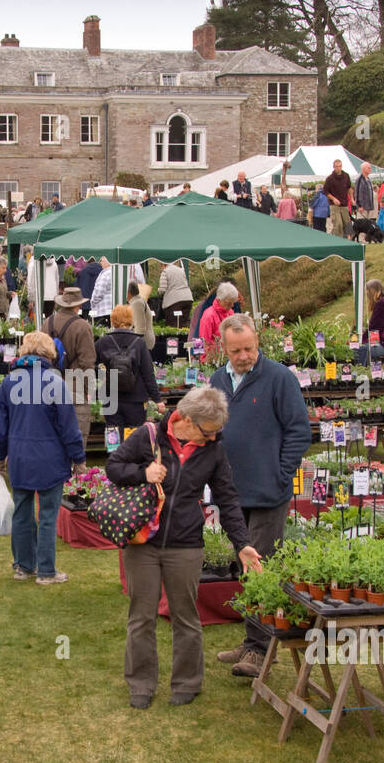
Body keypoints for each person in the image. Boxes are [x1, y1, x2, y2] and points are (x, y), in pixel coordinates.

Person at [106, 388, 261, 707]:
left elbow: (227, 498)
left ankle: (187, 682)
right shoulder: (148, 435)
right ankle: (140, 683)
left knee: (186, 615)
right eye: (209, 432)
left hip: (186, 544)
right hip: (143, 542)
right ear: (187, 421)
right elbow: (114, 468)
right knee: (141, 616)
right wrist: (142, 473)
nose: (213, 438)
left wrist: (242, 544)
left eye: (217, 432)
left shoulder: (214, 449)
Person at [210, 315, 311, 678]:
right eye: (235, 350)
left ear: (258, 342)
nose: (243, 356)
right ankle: (251, 639)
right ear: (223, 347)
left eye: (249, 348)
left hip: (268, 493)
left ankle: (259, 650)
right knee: (243, 566)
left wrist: (280, 473)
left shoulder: (279, 378)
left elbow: (300, 431)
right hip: (232, 494)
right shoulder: (218, 381)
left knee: (260, 568)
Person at [0, 332, 86, 584]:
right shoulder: (54, 382)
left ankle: (24, 566)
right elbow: (68, 427)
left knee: (22, 513)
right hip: (50, 459)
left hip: (20, 457)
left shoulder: (9, 382)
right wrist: (78, 458)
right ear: (48, 354)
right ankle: (45, 571)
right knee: (47, 516)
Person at [96, 305, 164, 431]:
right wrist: (157, 399)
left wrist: (101, 376)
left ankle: (114, 451)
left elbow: (90, 363)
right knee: (134, 439)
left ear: (112, 320)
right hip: (136, 400)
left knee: (114, 436)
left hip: (111, 398)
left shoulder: (103, 342)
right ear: (131, 320)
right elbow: (148, 374)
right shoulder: (139, 343)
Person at [46, 286, 97, 443]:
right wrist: (90, 390)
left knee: (53, 438)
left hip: (49, 388)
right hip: (76, 389)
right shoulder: (83, 326)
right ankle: (77, 468)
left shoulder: (47, 323)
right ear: (78, 305)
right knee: (77, 438)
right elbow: (87, 362)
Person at [197, 282, 239, 356]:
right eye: (229, 303)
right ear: (220, 300)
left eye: (233, 303)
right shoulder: (208, 315)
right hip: (214, 358)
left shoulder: (230, 312)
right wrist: (203, 361)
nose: (232, 305)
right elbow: (201, 341)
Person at [323, 159, 353, 238]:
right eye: (336, 166)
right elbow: (325, 191)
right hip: (334, 205)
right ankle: (338, 241)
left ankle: (348, 241)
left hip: (344, 204)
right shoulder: (330, 178)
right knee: (338, 224)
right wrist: (333, 199)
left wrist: (352, 199)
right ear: (333, 167)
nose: (338, 168)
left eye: (340, 166)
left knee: (347, 224)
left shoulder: (346, 176)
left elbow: (349, 188)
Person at [157, 262, 193, 326]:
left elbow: (162, 289)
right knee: (184, 323)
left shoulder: (165, 272)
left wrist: (158, 292)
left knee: (173, 323)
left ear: (163, 265)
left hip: (174, 301)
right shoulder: (181, 270)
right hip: (188, 298)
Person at [127, 282, 155, 350]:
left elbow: (140, 327)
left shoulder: (137, 303)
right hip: (144, 341)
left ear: (129, 293)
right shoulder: (139, 300)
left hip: (143, 343)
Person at [89, 257, 114, 326]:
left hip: (102, 311)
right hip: (111, 310)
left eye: (102, 261)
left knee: (102, 334)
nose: (100, 263)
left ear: (108, 261)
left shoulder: (105, 274)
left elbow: (98, 293)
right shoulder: (115, 272)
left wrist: (92, 303)